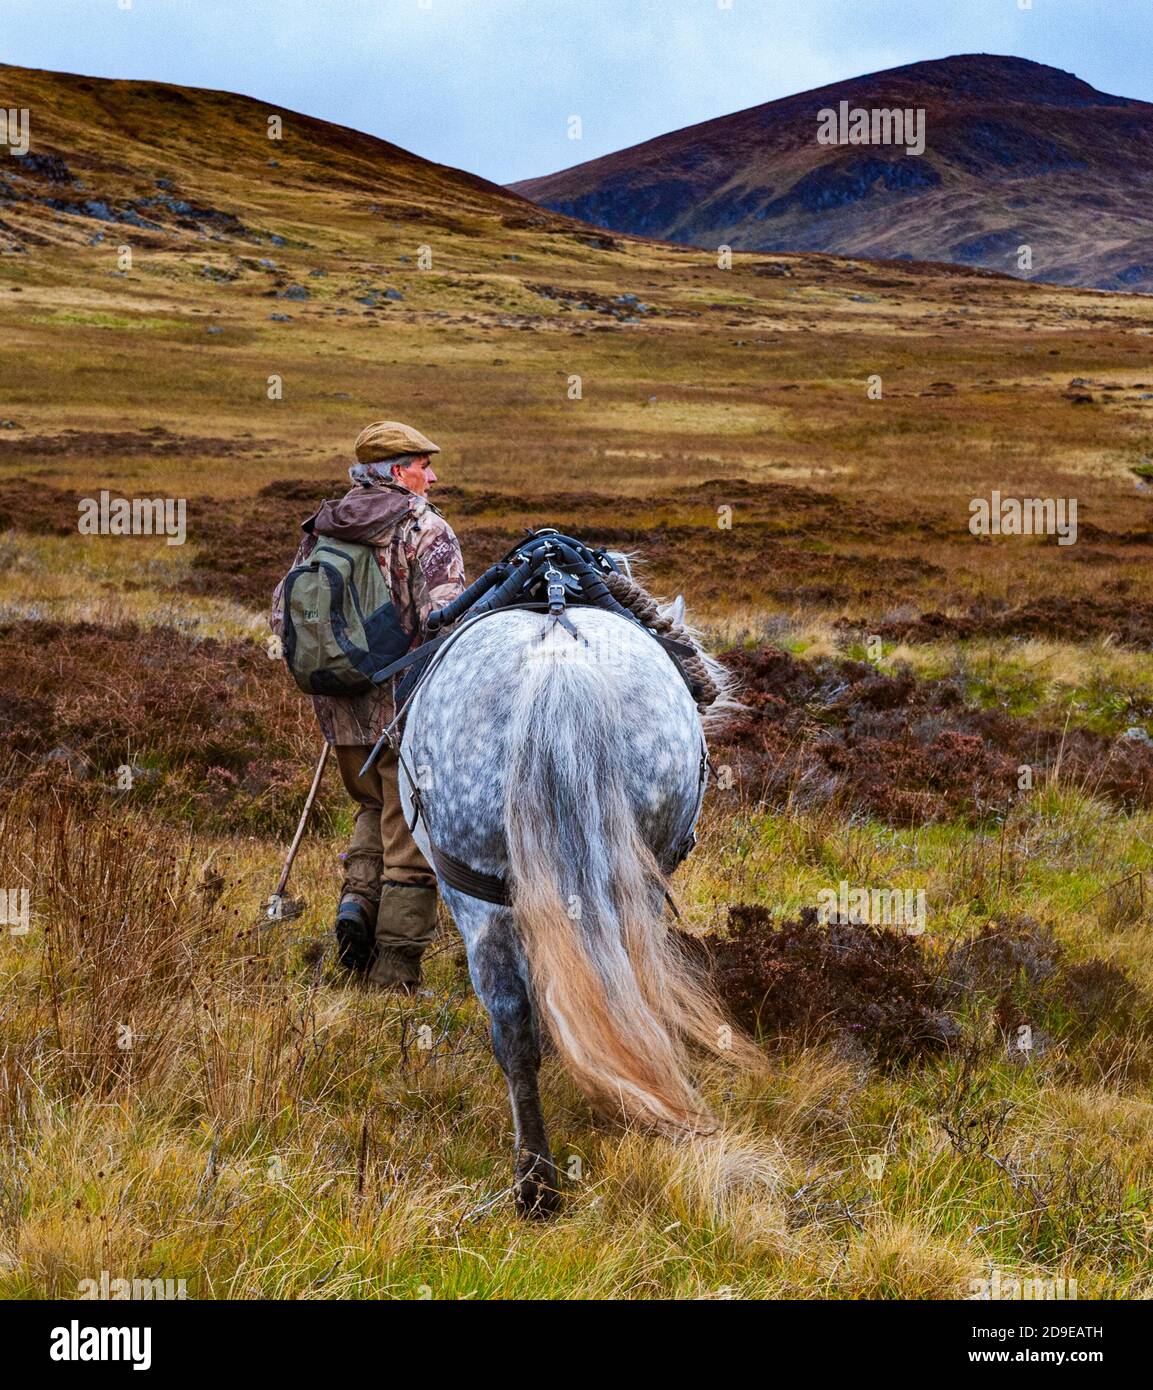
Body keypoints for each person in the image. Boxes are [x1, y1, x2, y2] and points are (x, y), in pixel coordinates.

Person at [271, 421, 466, 990]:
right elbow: (447, 618)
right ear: (396, 470)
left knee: (369, 807)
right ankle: (396, 970)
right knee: (409, 831)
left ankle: (355, 909)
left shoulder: (324, 525)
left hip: (337, 706)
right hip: (402, 706)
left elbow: (285, 614)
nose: (432, 475)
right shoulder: (424, 528)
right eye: (422, 464)